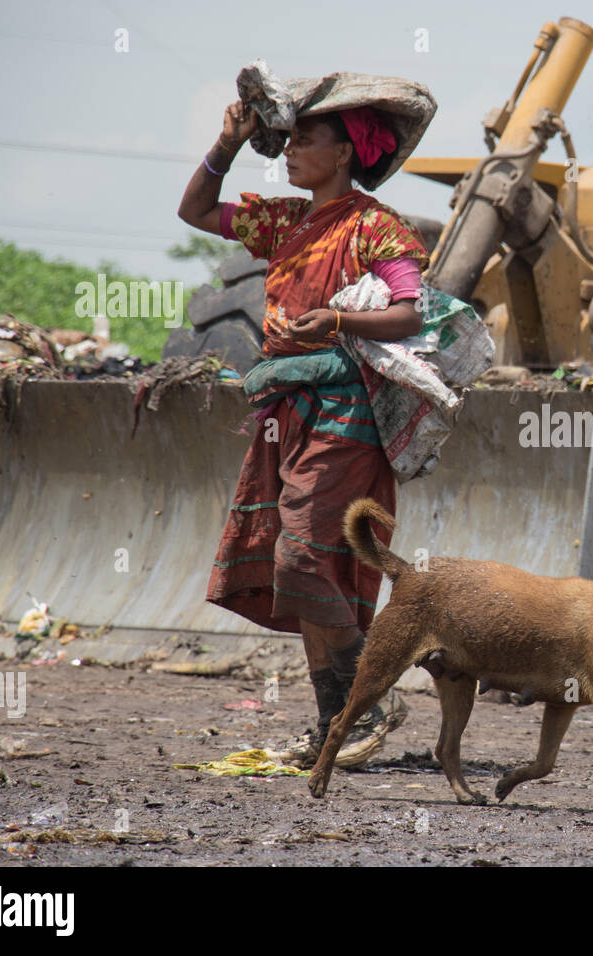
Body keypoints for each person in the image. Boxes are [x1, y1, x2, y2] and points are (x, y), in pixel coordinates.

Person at [177, 97, 430, 768]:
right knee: (302, 577)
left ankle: (374, 698)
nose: (289, 151)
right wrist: (226, 141)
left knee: (301, 558)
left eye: (304, 140)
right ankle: (334, 724)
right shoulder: (286, 220)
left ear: (343, 153)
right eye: (285, 142)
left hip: (347, 413)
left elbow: (411, 314)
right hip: (285, 416)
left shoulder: (375, 226)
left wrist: (337, 324)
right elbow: (195, 212)